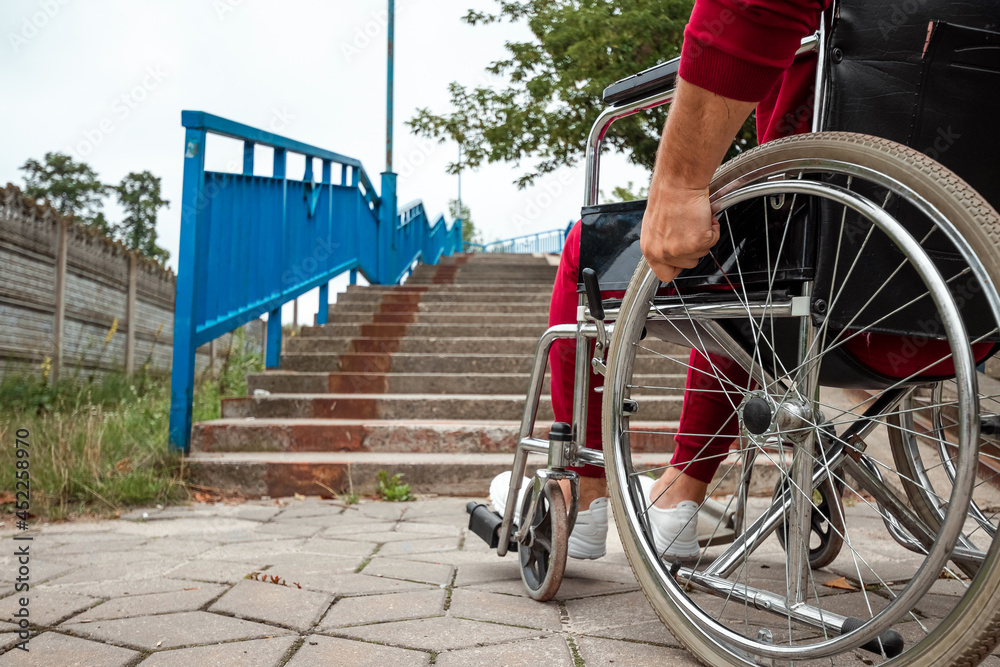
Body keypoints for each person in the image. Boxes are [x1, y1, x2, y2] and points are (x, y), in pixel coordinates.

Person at [492, 0, 830, 560]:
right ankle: (681, 493)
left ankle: (583, 486)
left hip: (812, 247)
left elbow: (753, 9)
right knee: (743, 270)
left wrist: (677, 182)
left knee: (629, 252)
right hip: (955, 290)